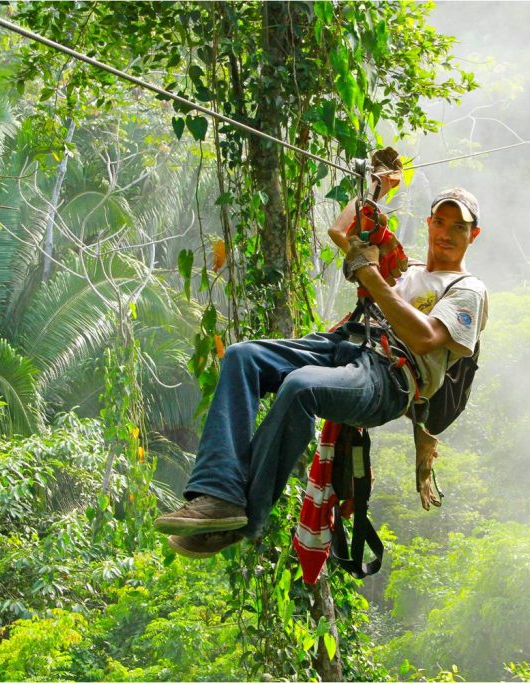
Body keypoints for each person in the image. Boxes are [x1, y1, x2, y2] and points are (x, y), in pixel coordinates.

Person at [154, 177, 488, 558]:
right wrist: (377, 186)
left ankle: (245, 515)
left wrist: (370, 276)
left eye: (459, 227)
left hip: (390, 377)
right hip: (346, 344)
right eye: (441, 223)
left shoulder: (467, 289)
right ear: (429, 224)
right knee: (242, 357)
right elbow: (340, 230)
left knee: (301, 387)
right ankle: (218, 494)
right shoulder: (404, 268)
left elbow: (426, 336)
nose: (447, 234)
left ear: (473, 234)